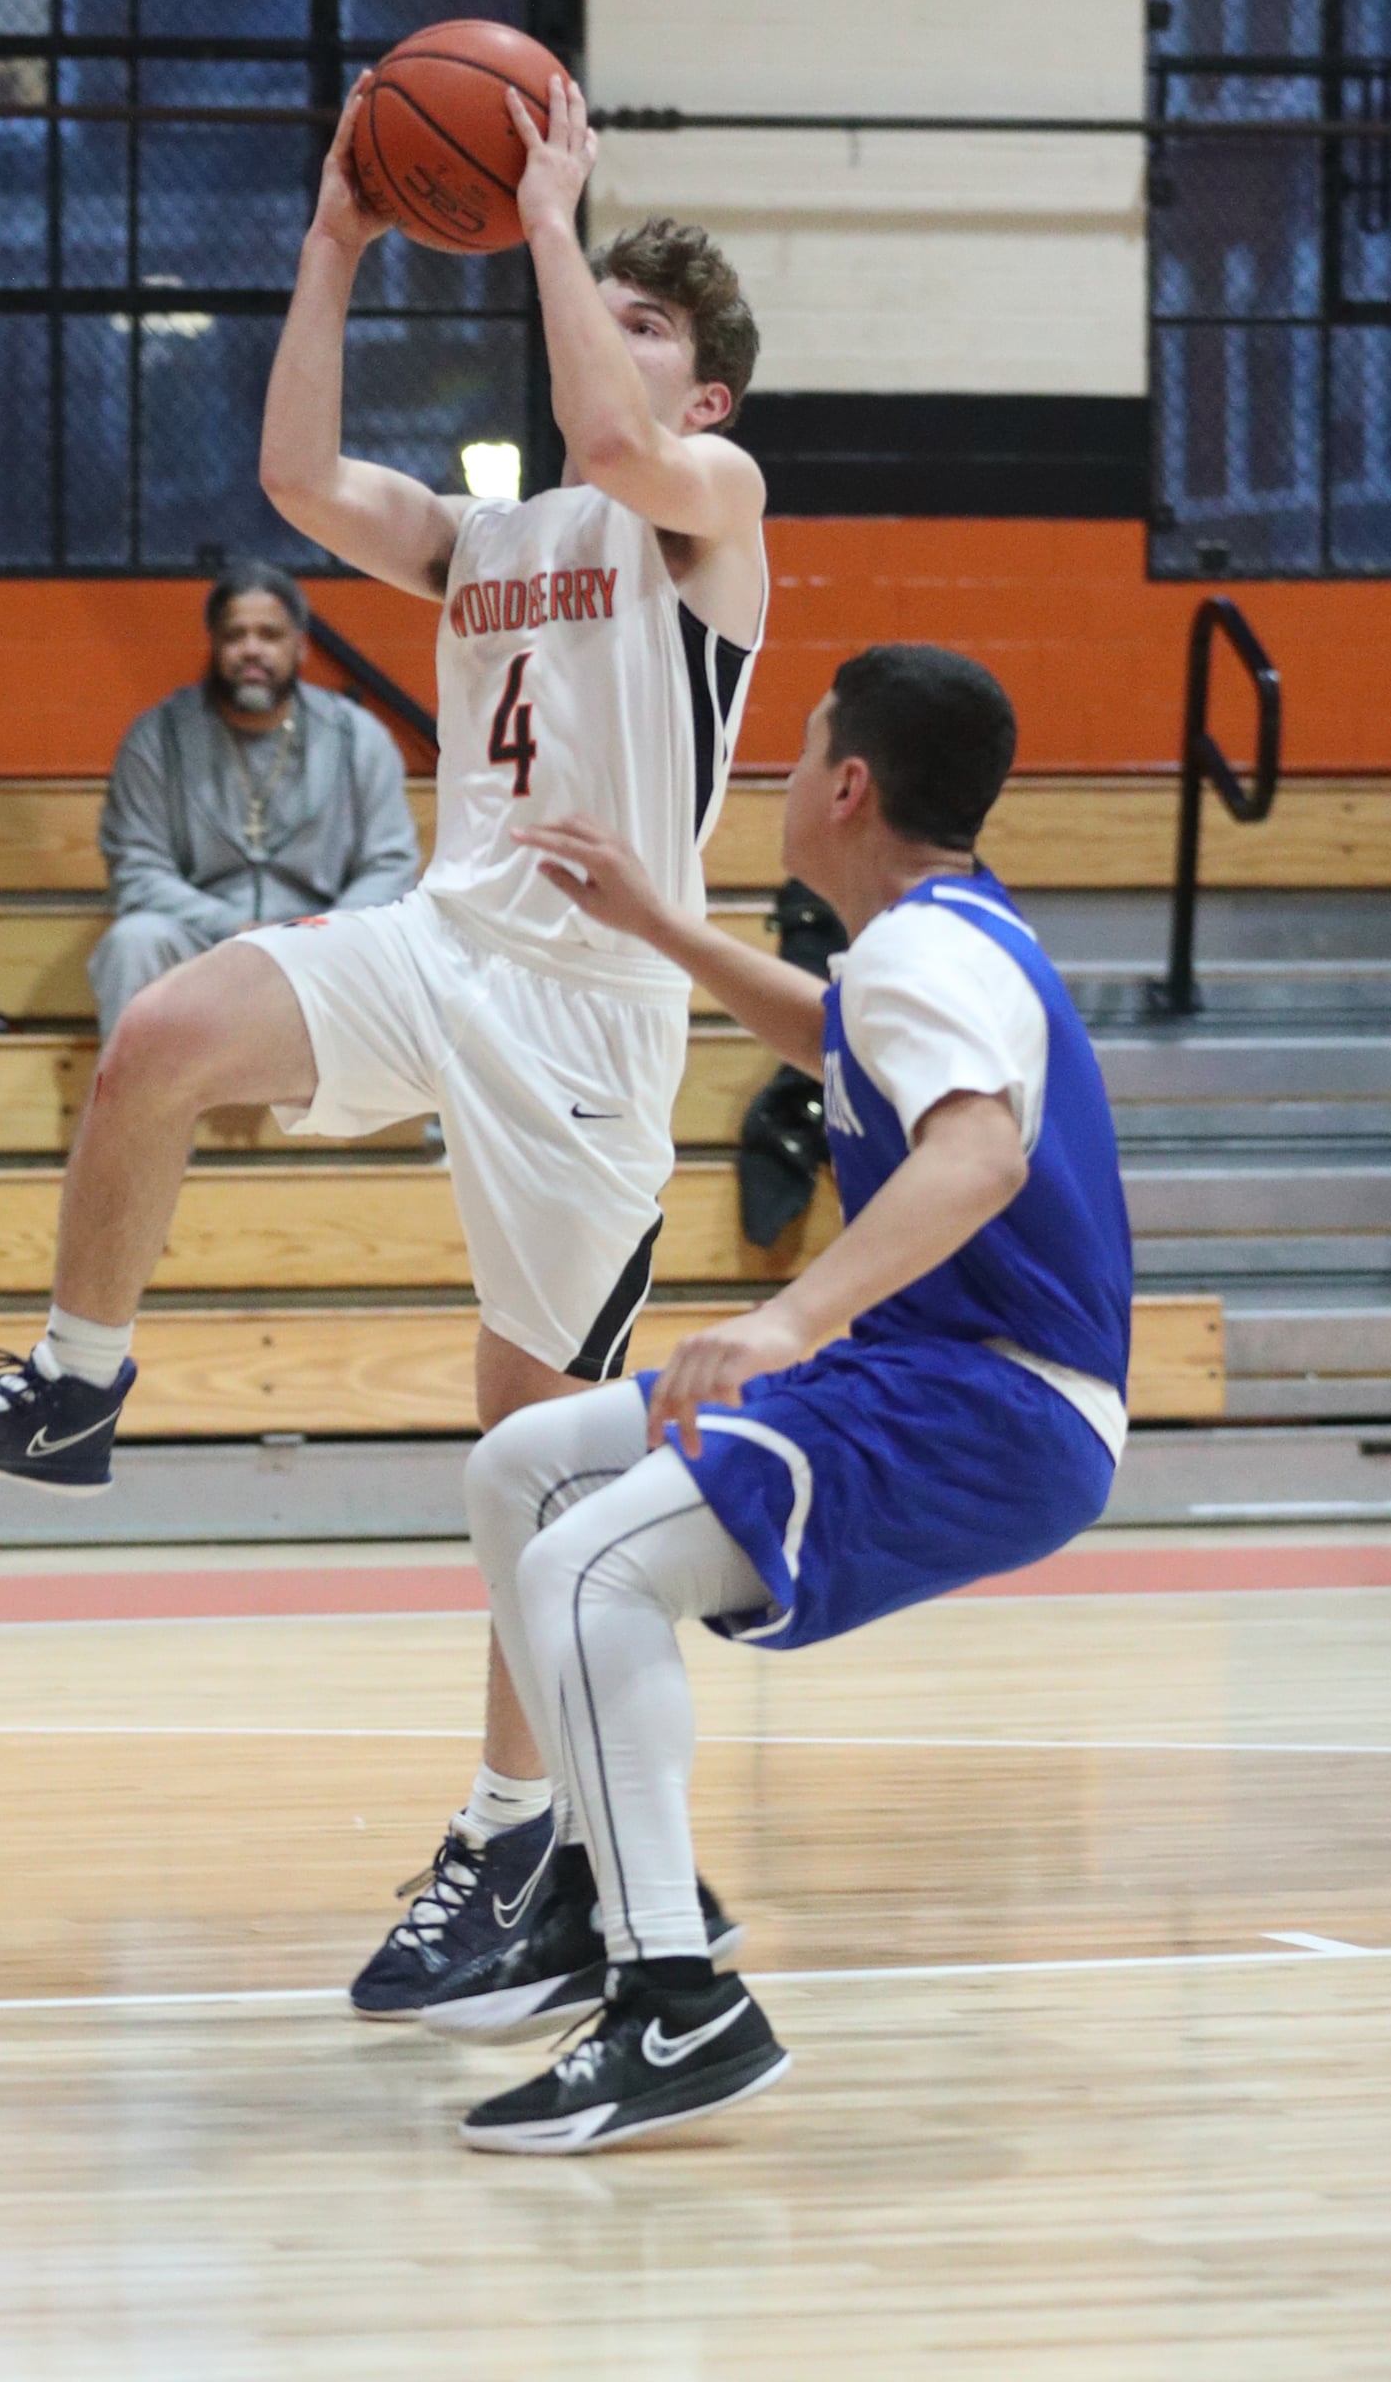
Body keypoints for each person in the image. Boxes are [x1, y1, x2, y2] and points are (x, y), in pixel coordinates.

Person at [0, 71, 771, 2014]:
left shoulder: (705, 515)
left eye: (645, 321)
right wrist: (332, 245)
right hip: (441, 944)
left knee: (526, 1466)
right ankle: (75, 1385)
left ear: (706, 400)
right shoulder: (495, 534)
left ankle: (511, 1834)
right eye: (600, 303)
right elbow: (293, 485)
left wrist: (546, 212)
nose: (603, 334)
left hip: (593, 1030)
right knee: (156, 1041)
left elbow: (605, 426)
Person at [415, 645, 1131, 2153]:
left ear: (848, 785)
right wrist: (666, 925)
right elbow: (839, 1041)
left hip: (992, 1399)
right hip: (939, 1375)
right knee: (525, 1470)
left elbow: (978, 1154)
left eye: (802, 750)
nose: (785, 775)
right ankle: (606, 1890)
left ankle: (676, 1998)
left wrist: (789, 1317)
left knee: (588, 1568)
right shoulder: (927, 947)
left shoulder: (928, 956)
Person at [89, 562, 421, 1041]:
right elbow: (137, 868)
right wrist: (233, 926)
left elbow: (390, 867)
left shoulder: (357, 738)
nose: (251, 650)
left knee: (406, 953)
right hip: (203, 938)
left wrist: (323, 934)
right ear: (214, 644)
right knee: (134, 941)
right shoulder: (158, 737)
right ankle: (135, 1114)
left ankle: (387, 1115)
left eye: (269, 635)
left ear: (299, 645)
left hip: (325, 944)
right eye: (235, 635)